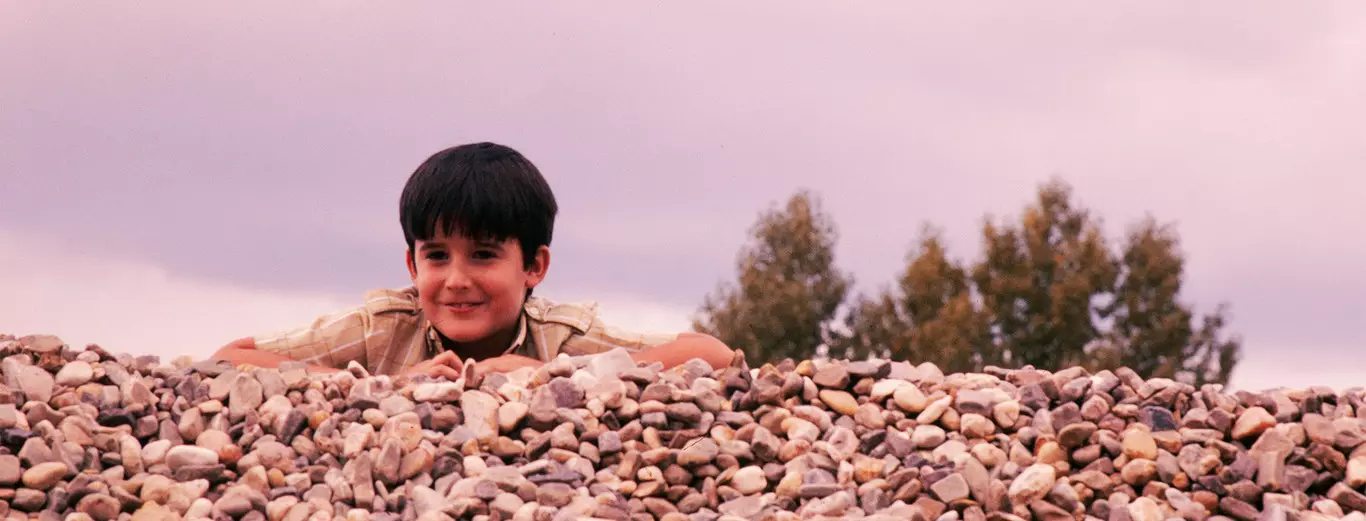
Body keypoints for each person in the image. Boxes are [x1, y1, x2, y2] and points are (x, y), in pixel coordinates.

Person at [211, 142, 736, 378]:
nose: (457, 280)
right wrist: (371, 389)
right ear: (413, 268)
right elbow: (227, 358)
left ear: (534, 267)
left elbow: (711, 353)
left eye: (483, 255)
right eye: (437, 256)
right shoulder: (383, 329)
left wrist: (554, 377)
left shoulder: (559, 336)